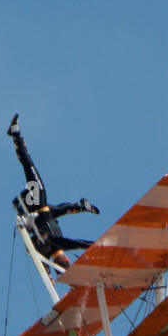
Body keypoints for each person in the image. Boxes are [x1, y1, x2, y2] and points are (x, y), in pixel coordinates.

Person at [8, 114, 99, 270]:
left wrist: (97, 245)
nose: (66, 258)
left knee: (30, 170)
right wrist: (83, 208)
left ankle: (16, 137)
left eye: (64, 261)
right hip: (36, 208)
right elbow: (62, 213)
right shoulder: (56, 243)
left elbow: (76, 242)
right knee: (30, 171)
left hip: (35, 205)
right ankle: (17, 138)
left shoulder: (54, 244)